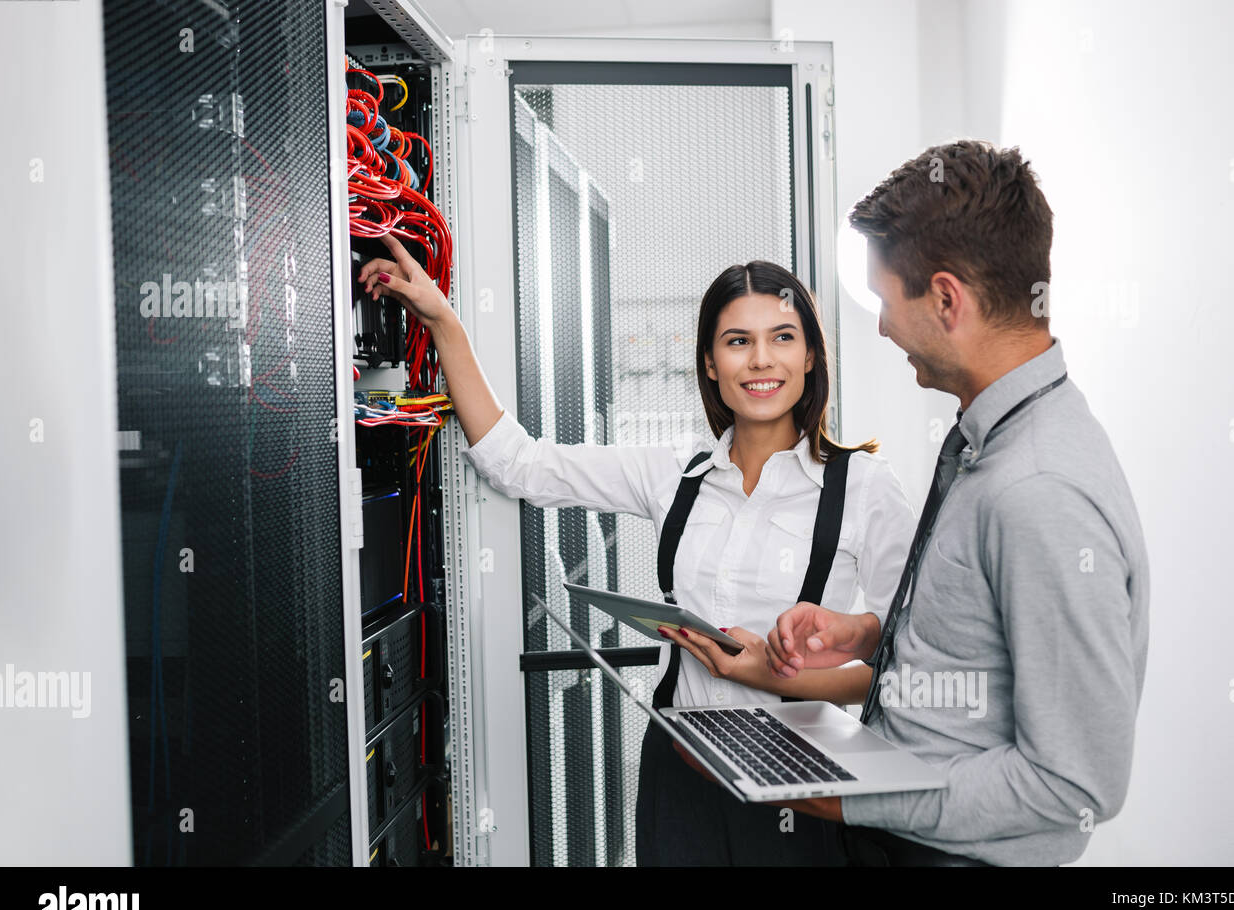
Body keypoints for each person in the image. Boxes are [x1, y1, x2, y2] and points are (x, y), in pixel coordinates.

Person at [358, 241, 918, 865]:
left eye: (782, 337)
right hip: (682, 762)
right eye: (737, 341)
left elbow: (906, 670)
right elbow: (523, 465)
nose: (761, 360)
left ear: (810, 355)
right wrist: (442, 321)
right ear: (709, 363)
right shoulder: (676, 474)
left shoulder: (863, 487)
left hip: (802, 775)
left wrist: (766, 674)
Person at [679, 140, 1151, 867]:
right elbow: (984, 647)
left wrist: (833, 792)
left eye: (883, 301)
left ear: (945, 299)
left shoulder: (1039, 489)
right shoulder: (984, 438)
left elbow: (1071, 783)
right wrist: (868, 634)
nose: (880, 328)